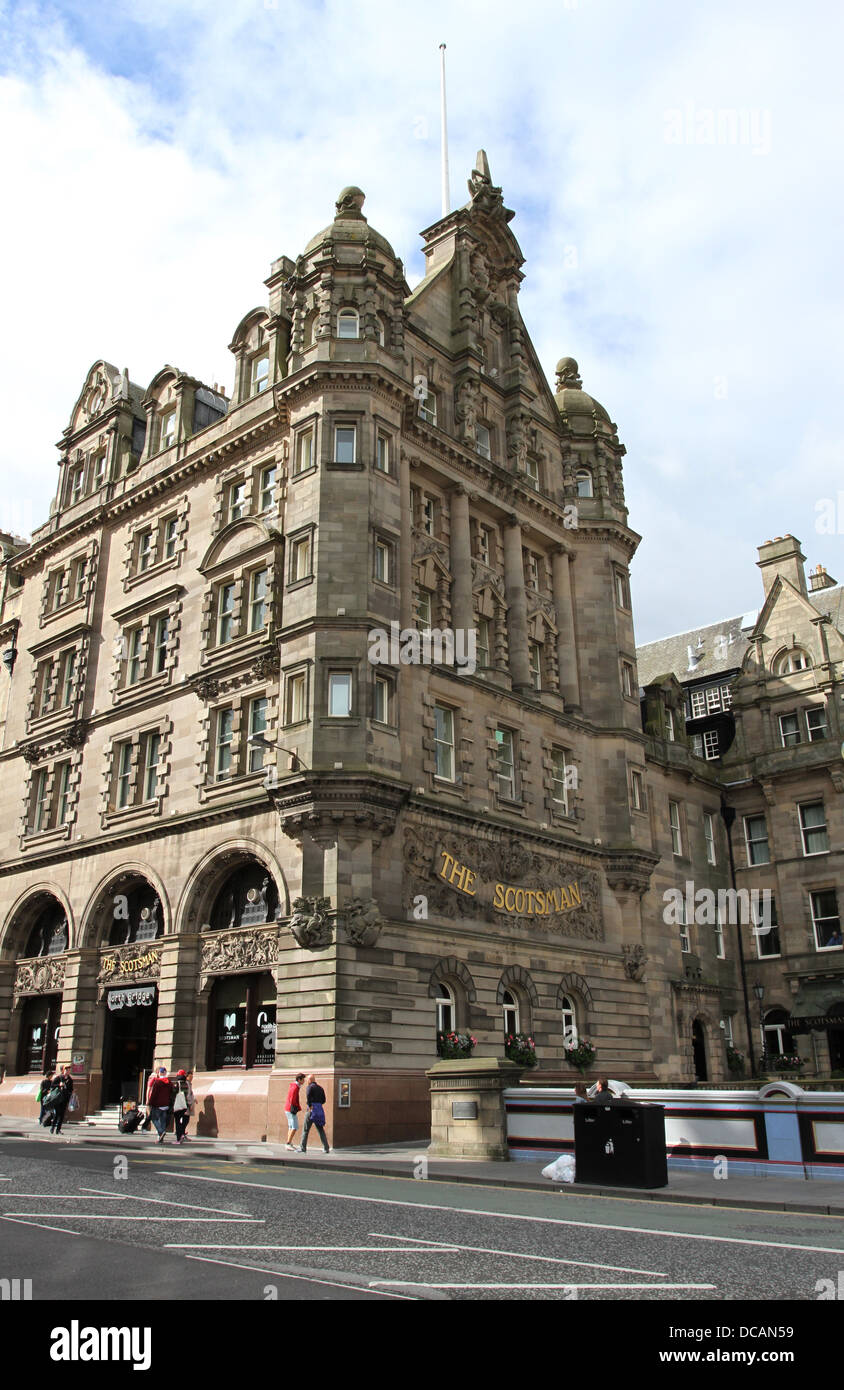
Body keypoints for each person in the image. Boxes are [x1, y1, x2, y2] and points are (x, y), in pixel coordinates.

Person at [297, 1074, 330, 1153]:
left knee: (306, 1129)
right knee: (320, 1129)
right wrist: (318, 1105)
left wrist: (310, 1105)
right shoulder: (320, 1088)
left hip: (311, 1110)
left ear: (310, 1080)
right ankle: (326, 1148)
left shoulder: (309, 1087)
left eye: (308, 1080)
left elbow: (308, 1097)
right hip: (319, 1110)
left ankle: (303, 1148)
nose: (307, 1081)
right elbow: (324, 1100)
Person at [147, 1065, 174, 1144]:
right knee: (163, 1121)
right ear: (165, 1073)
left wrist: (150, 1102)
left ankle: (161, 1132)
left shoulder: (157, 1082)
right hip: (166, 1104)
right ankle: (161, 1139)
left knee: (154, 1118)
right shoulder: (169, 1082)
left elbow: (154, 1094)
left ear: (159, 1073)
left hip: (157, 1104)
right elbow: (171, 1093)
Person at [49, 1065, 74, 1135]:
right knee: (57, 1113)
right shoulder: (59, 1078)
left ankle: (58, 1129)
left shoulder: (70, 1079)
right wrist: (59, 1085)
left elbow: (71, 1089)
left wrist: (70, 1093)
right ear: (63, 1070)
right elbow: (52, 1085)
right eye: (66, 1070)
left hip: (65, 1099)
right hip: (57, 1098)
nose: (67, 1071)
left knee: (62, 1114)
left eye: (69, 1070)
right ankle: (53, 1127)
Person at [284, 1073, 305, 1150]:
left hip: (288, 1108)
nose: (304, 1081)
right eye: (303, 1079)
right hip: (291, 1109)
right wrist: (295, 1107)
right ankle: (288, 1143)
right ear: (299, 1080)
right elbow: (292, 1099)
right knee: (294, 1126)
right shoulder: (295, 1087)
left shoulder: (294, 1086)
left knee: (291, 1126)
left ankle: (288, 1142)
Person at [173, 1070, 193, 1145]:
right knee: (183, 1121)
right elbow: (188, 1095)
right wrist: (188, 1104)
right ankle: (182, 1134)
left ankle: (179, 1138)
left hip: (177, 1105)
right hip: (184, 1105)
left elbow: (173, 1095)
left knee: (178, 1122)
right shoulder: (186, 1084)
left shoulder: (177, 1084)